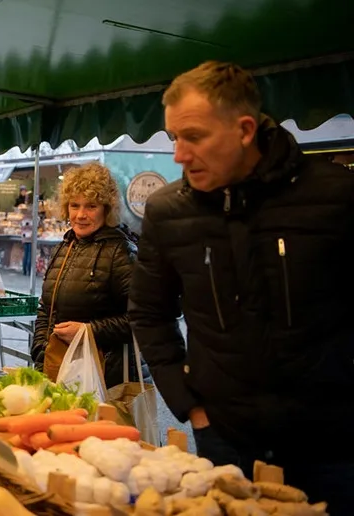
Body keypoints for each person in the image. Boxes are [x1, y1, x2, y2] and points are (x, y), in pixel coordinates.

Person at [128, 61, 354, 511]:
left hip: (333, 444)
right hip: (225, 439)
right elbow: (149, 312)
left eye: (194, 137)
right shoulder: (167, 212)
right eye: (174, 138)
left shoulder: (337, 197)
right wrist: (192, 408)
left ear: (245, 129)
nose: (179, 155)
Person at [31, 163, 140, 387]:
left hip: (106, 379)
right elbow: (46, 308)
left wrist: (88, 331)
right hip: (61, 370)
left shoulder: (121, 252)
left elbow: (142, 319)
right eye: (75, 205)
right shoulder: (64, 247)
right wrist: (41, 351)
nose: (81, 215)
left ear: (106, 209)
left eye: (91, 206)